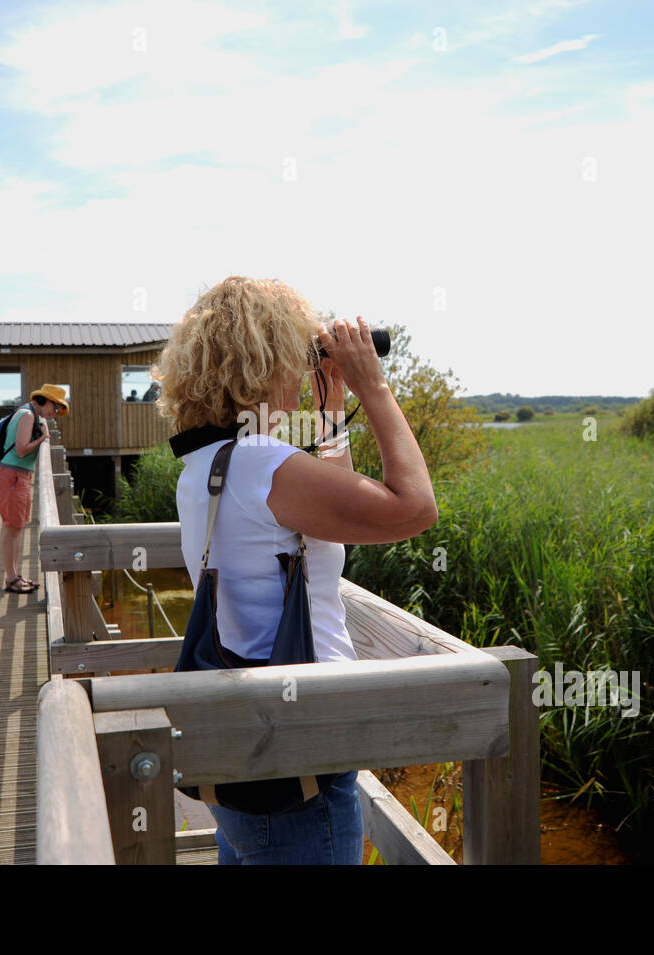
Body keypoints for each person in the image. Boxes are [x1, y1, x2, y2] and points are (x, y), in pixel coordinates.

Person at [153, 276, 437, 865]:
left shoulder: (209, 461)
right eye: (296, 353)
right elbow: (413, 509)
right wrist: (374, 388)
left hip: (246, 742)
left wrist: (333, 410)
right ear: (262, 362)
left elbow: (333, 513)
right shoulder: (264, 464)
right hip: (305, 747)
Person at [0, 383, 68, 594]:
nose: (54, 414)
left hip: (18, 475)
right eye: (54, 408)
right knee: (12, 528)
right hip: (12, 475)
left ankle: (15, 576)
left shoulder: (30, 414)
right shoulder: (27, 415)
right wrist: (43, 439)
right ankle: (11, 578)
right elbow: (21, 449)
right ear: (46, 401)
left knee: (16, 528)